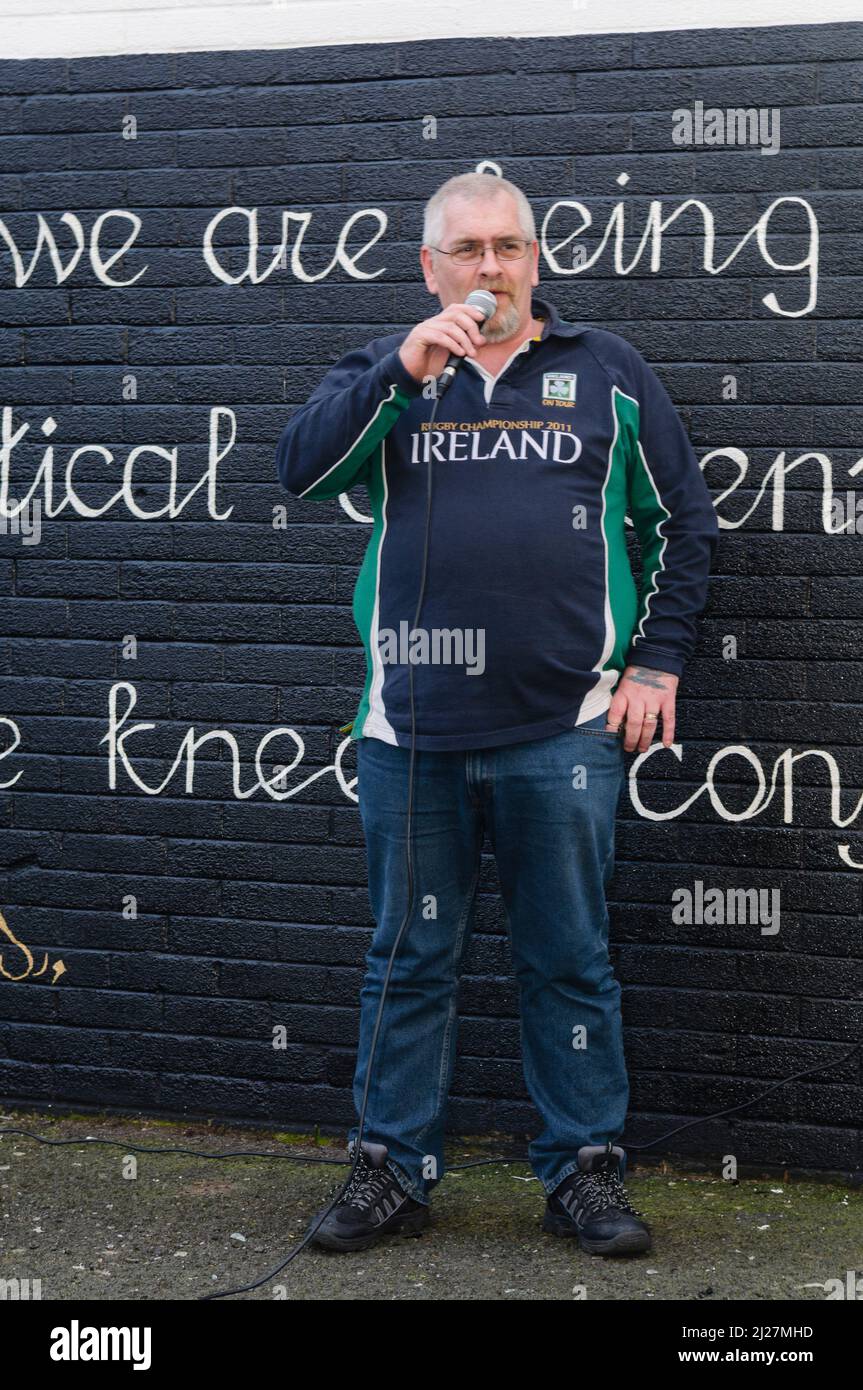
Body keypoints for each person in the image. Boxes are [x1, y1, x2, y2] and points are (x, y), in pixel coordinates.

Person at [275, 172, 719, 1257]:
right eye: (466, 249)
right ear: (429, 268)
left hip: (562, 730)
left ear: (535, 261)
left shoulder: (603, 371)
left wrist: (654, 666)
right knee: (407, 959)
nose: (488, 268)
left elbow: (680, 525)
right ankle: (391, 1168)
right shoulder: (388, 374)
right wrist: (396, 371)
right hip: (408, 733)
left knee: (565, 956)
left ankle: (582, 1171)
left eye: (507, 247)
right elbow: (297, 470)